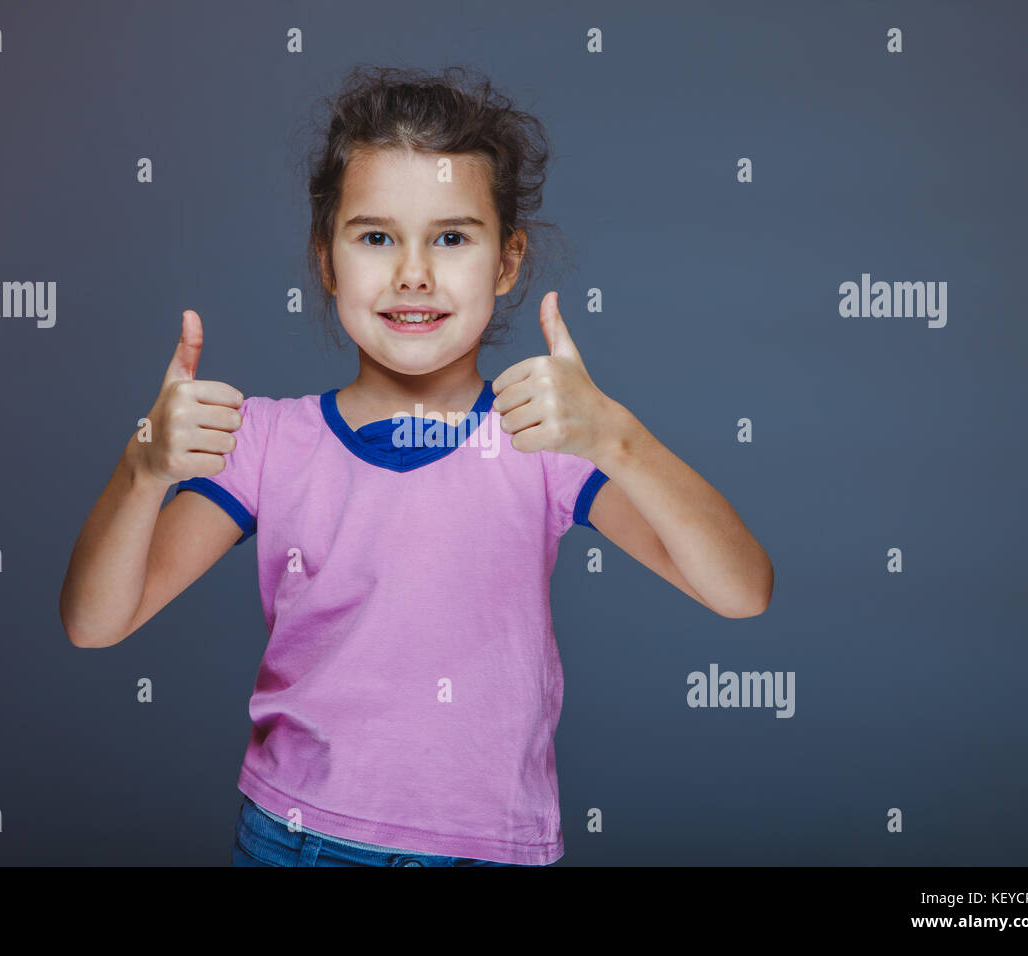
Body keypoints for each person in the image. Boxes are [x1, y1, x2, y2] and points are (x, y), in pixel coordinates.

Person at [59, 65, 773, 867]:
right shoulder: (265, 442)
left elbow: (742, 591)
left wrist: (619, 440)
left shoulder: (544, 443)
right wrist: (141, 471)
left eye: (452, 237)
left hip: (490, 849)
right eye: (374, 236)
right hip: (297, 841)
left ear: (506, 264)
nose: (413, 274)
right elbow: (95, 622)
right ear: (326, 261)